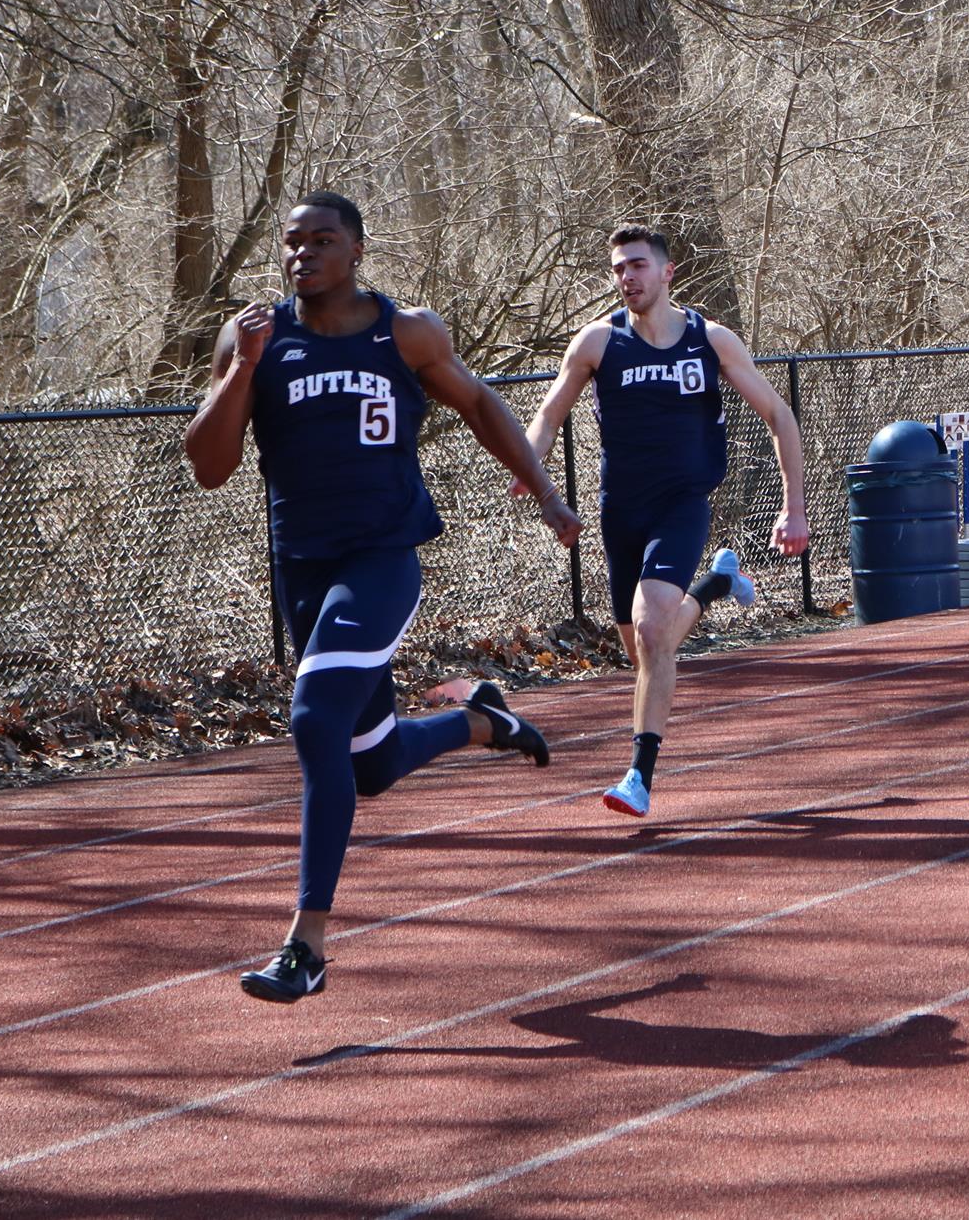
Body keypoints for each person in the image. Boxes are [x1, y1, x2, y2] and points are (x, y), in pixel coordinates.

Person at [184, 190, 581, 1002]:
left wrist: (542, 490)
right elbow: (208, 464)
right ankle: (484, 720)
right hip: (303, 569)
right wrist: (245, 370)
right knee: (367, 766)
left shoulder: (407, 331)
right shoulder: (253, 337)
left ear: (357, 250)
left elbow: (477, 402)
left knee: (312, 719)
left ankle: (308, 942)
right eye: (292, 243)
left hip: (382, 559)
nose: (303, 255)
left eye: (322, 240)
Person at [519, 224, 809, 818]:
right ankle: (717, 583)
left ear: (667, 272)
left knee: (654, 632)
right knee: (644, 651)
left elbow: (779, 415)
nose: (628, 277)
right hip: (619, 511)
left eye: (639, 266)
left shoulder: (712, 341)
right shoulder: (598, 343)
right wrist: (532, 467)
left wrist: (794, 506)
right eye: (620, 268)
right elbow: (549, 415)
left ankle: (638, 776)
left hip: (682, 503)